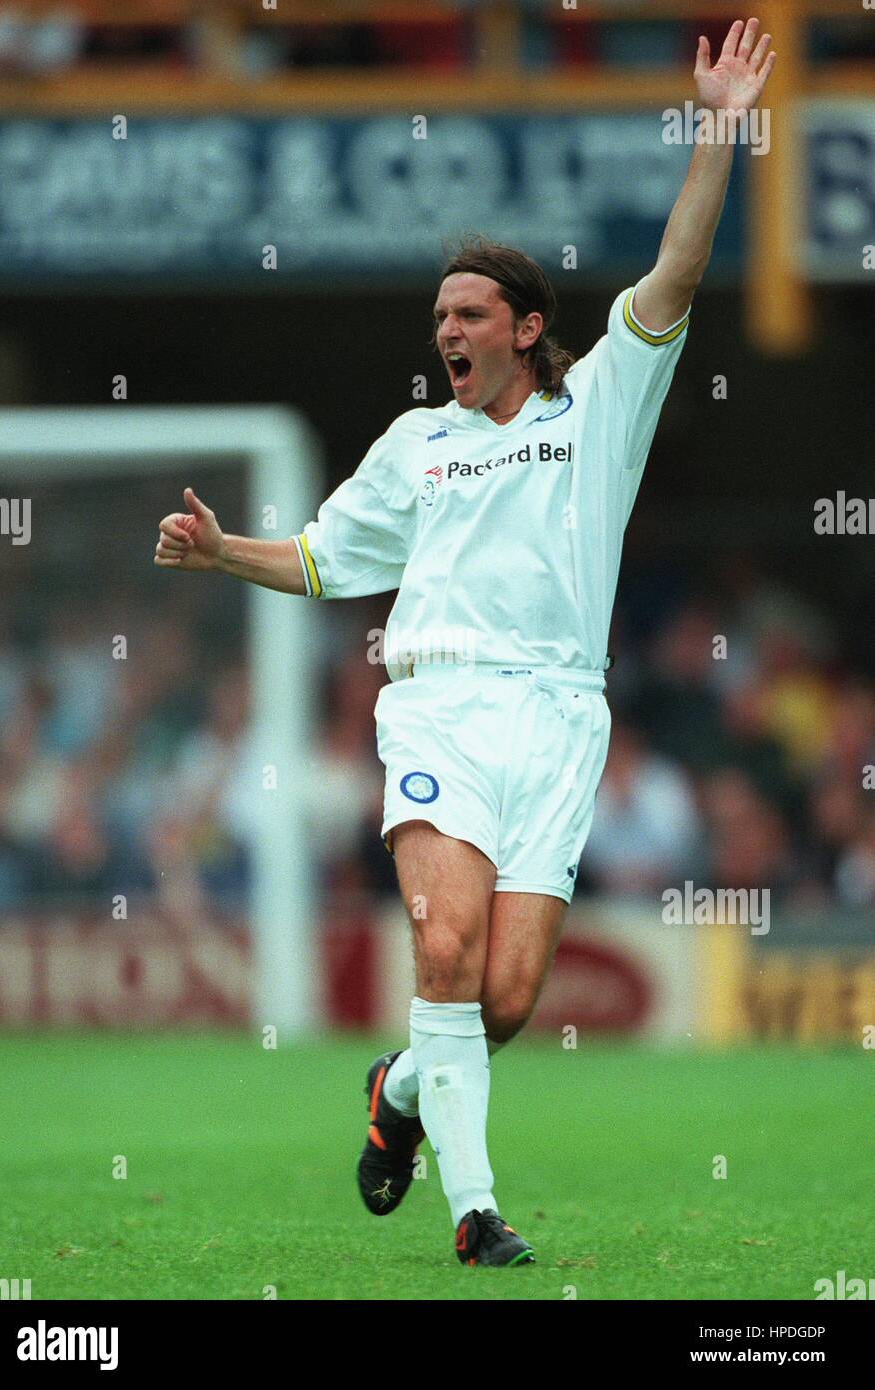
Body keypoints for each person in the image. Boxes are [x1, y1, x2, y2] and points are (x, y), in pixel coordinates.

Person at [154, 18, 776, 1269]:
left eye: (470, 311)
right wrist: (227, 551)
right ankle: (475, 1211)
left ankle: (395, 1096)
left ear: (525, 328)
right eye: (438, 312)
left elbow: (678, 264)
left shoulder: (599, 405)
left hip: (556, 719)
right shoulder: (413, 444)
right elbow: (326, 561)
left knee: (497, 998)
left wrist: (718, 126)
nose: (446, 330)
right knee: (440, 945)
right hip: (435, 706)